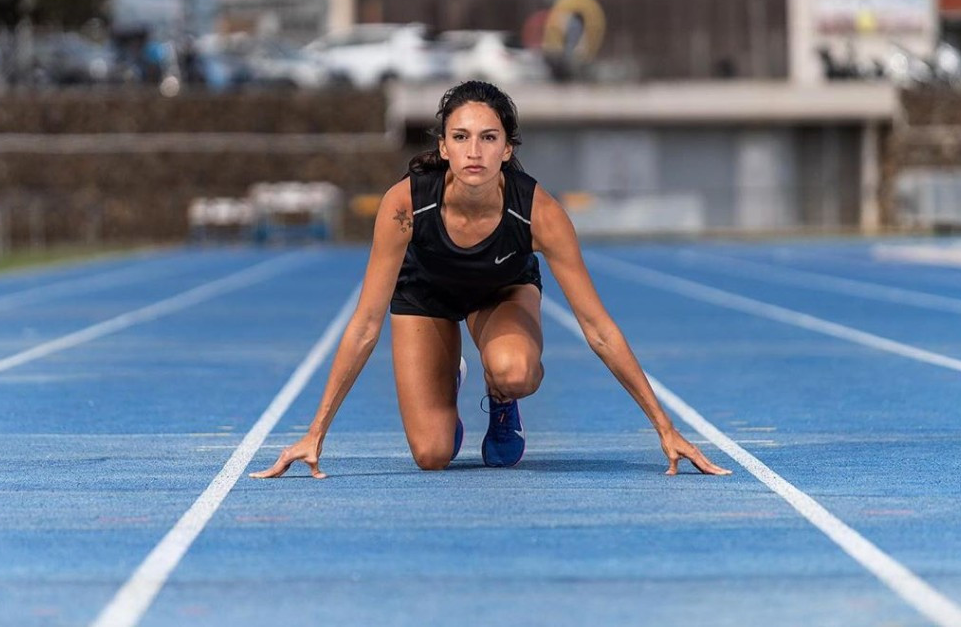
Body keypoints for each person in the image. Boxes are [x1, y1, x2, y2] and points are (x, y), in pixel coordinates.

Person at [250, 80, 731, 479]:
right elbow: (365, 324)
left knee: (514, 369)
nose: (473, 151)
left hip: (501, 292)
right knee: (433, 455)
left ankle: (500, 398)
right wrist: (316, 432)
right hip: (426, 295)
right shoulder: (405, 205)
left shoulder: (539, 213)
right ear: (442, 147)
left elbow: (598, 328)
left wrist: (665, 427)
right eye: (460, 138)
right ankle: (448, 374)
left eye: (487, 138)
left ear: (507, 148)